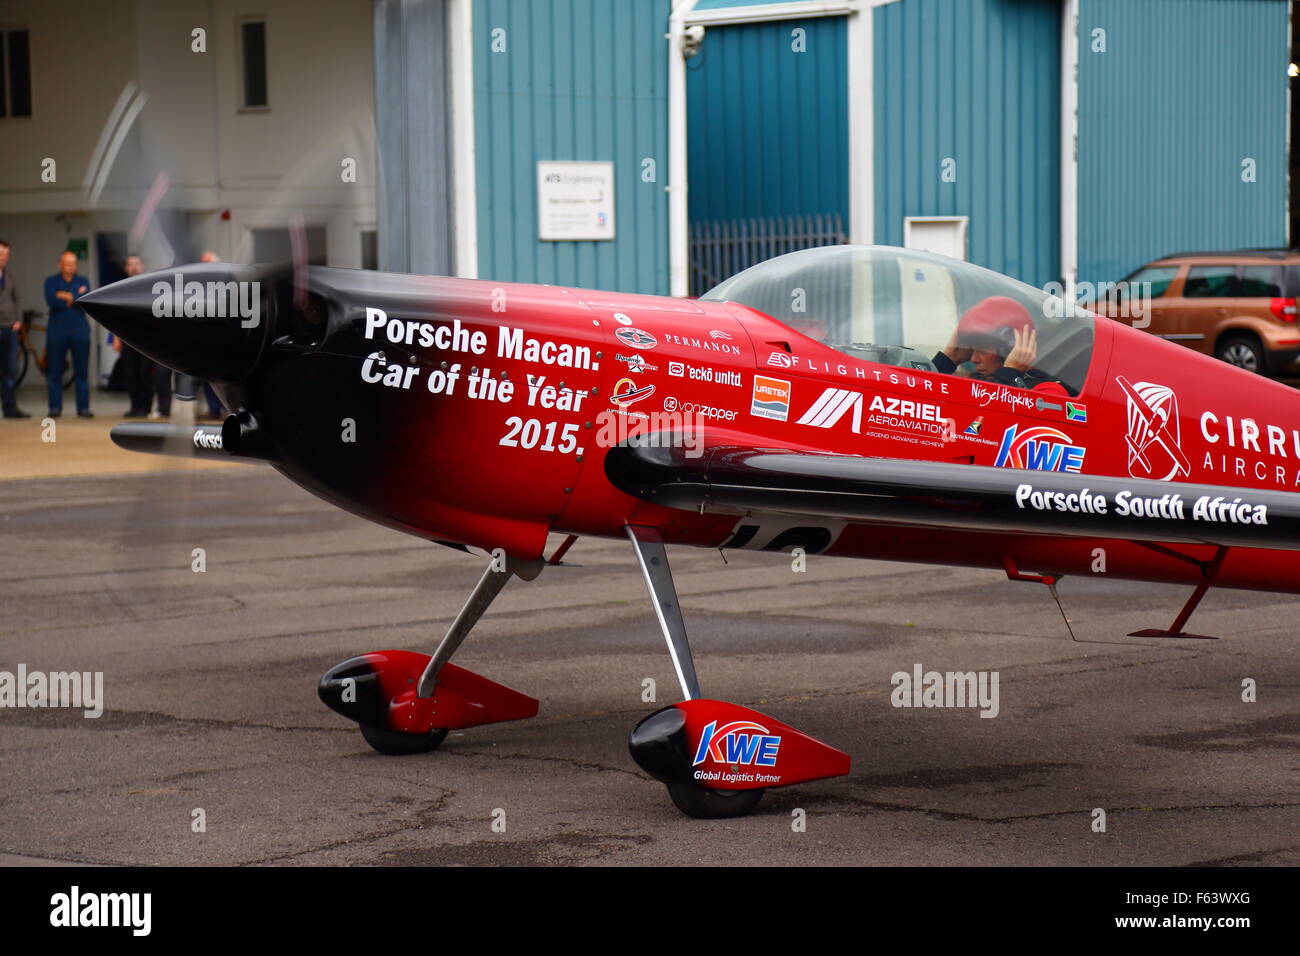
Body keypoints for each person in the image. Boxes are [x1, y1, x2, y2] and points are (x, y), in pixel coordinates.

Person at [933, 296, 1055, 390]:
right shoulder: (974, 384)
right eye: (971, 350)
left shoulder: (1047, 391)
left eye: (982, 350)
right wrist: (946, 361)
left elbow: (998, 417)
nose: (974, 359)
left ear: (1010, 350)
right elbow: (921, 400)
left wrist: (1009, 374)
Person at [111, 254, 171, 417]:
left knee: (145, 373)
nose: (134, 267)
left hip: (145, 339)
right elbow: (115, 316)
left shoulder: (151, 286)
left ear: (143, 266)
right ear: (126, 268)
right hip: (126, 338)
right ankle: (135, 406)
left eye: (137, 264)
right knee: (130, 373)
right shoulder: (119, 288)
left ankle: (145, 407)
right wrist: (116, 337)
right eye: (131, 264)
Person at [43, 250, 93, 418]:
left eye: (73, 264)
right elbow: (51, 300)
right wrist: (74, 297)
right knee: (55, 371)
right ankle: (55, 407)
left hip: (80, 330)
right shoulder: (50, 281)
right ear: (60, 264)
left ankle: (83, 408)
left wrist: (64, 295)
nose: (71, 267)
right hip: (57, 331)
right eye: (67, 263)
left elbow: (85, 300)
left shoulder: (83, 281)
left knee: (82, 371)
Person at [0, 239, 30, 418]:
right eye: (1, 254)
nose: (4, 257)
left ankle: (10, 408)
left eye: (6, 254)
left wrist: (18, 319)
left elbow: (17, 298)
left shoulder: (9, 275)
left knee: (10, 371)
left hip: (10, 329)